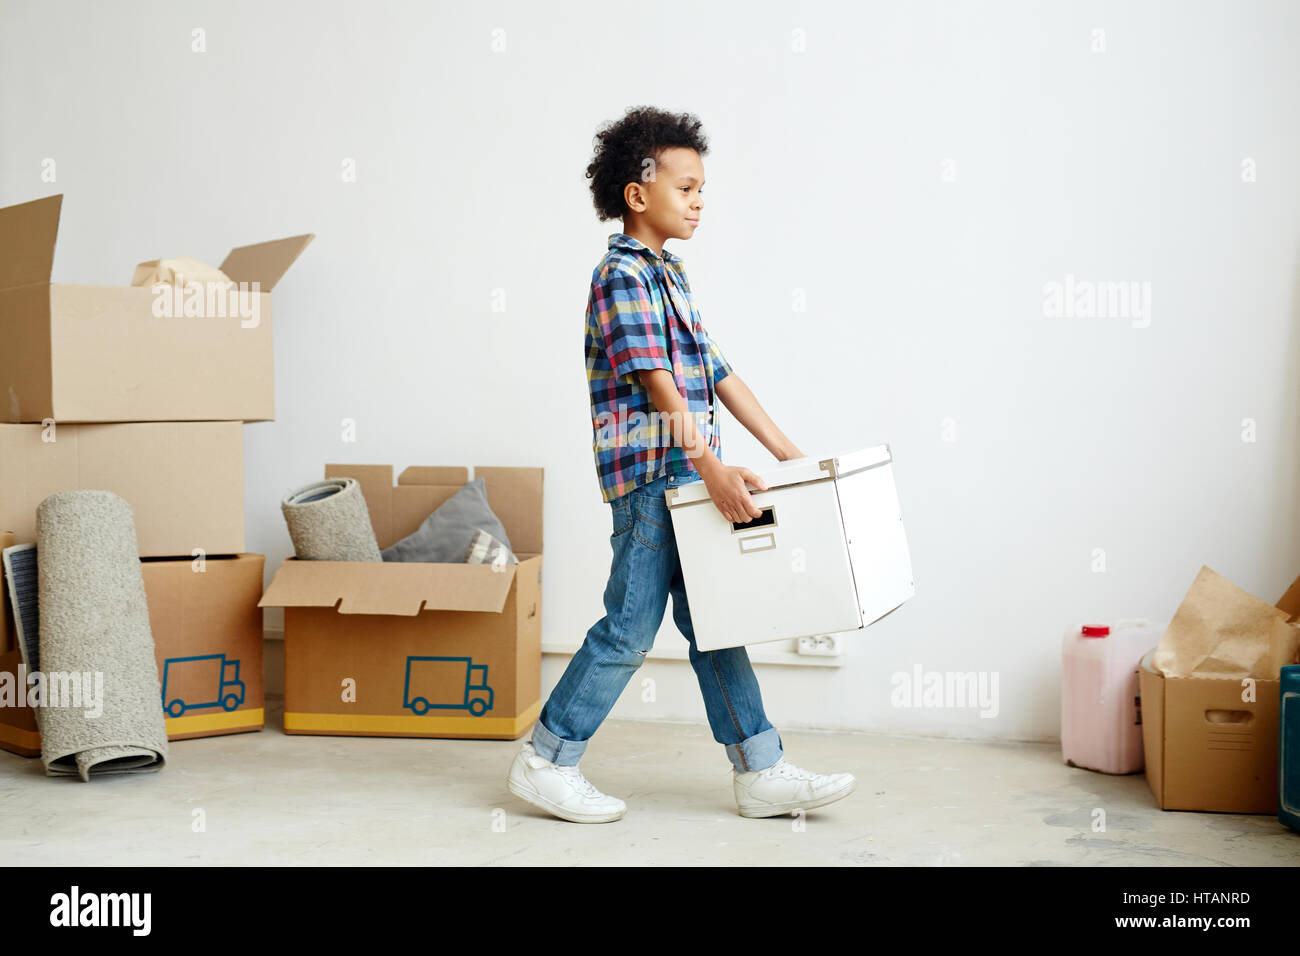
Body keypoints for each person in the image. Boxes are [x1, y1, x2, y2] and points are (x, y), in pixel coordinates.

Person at [506, 106, 856, 823]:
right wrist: (711, 469)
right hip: (653, 485)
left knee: (716, 625)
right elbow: (657, 382)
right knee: (629, 629)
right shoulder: (621, 278)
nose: (700, 202)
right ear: (639, 195)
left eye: (703, 190)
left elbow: (720, 373)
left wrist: (791, 457)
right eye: (687, 187)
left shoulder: (670, 276)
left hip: (689, 481)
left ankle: (761, 770)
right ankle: (546, 759)